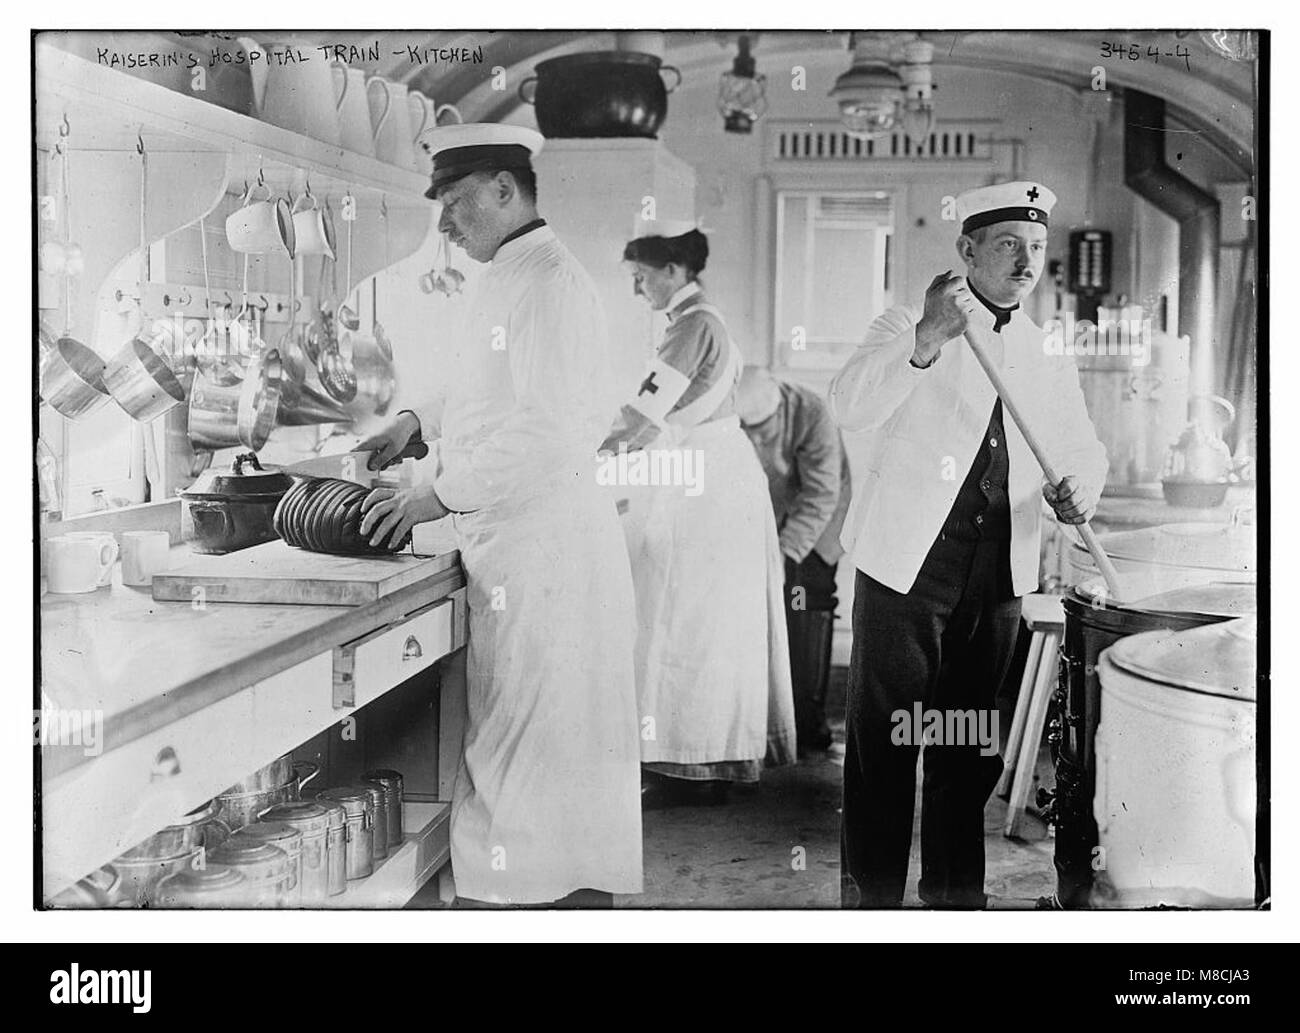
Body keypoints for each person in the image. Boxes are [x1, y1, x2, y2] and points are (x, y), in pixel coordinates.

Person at [356, 123, 642, 907]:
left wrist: (435, 494)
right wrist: (416, 418)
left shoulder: (549, 281)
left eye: (453, 202)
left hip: (548, 557)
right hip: (516, 548)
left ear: (504, 190)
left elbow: (548, 428)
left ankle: (531, 909)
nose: (444, 223)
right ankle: (524, 899)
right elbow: (485, 386)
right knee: (523, 748)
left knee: (534, 751)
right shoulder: (507, 272)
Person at [828, 181, 1108, 909]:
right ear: (968, 251)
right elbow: (849, 405)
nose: (1026, 261)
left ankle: (957, 908)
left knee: (968, 750)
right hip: (906, 569)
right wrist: (926, 339)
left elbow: (1082, 447)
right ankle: (872, 909)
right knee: (884, 748)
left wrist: (1078, 486)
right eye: (1010, 244)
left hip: (998, 578)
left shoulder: (1047, 352)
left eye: (1038, 247)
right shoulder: (904, 323)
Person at [600, 221, 796, 808]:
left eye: (641, 279)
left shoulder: (691, 327)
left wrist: (590, 461)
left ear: (672, 271)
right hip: (720, 477)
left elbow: (643, 414)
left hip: (703, 487)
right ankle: (705, 757)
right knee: (708, 624)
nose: (638, 291)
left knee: (681, 620)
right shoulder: (708, 322)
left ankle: (686, 760)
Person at [736, 366, 850, 754]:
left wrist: (784, 555)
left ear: (780, 404)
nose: (755, 437)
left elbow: (820, 494)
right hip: (771, 520)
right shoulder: (736, 408)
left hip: (817, 525)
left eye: (762, 428)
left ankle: (808, 722)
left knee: (803, 604)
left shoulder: (812, 412)